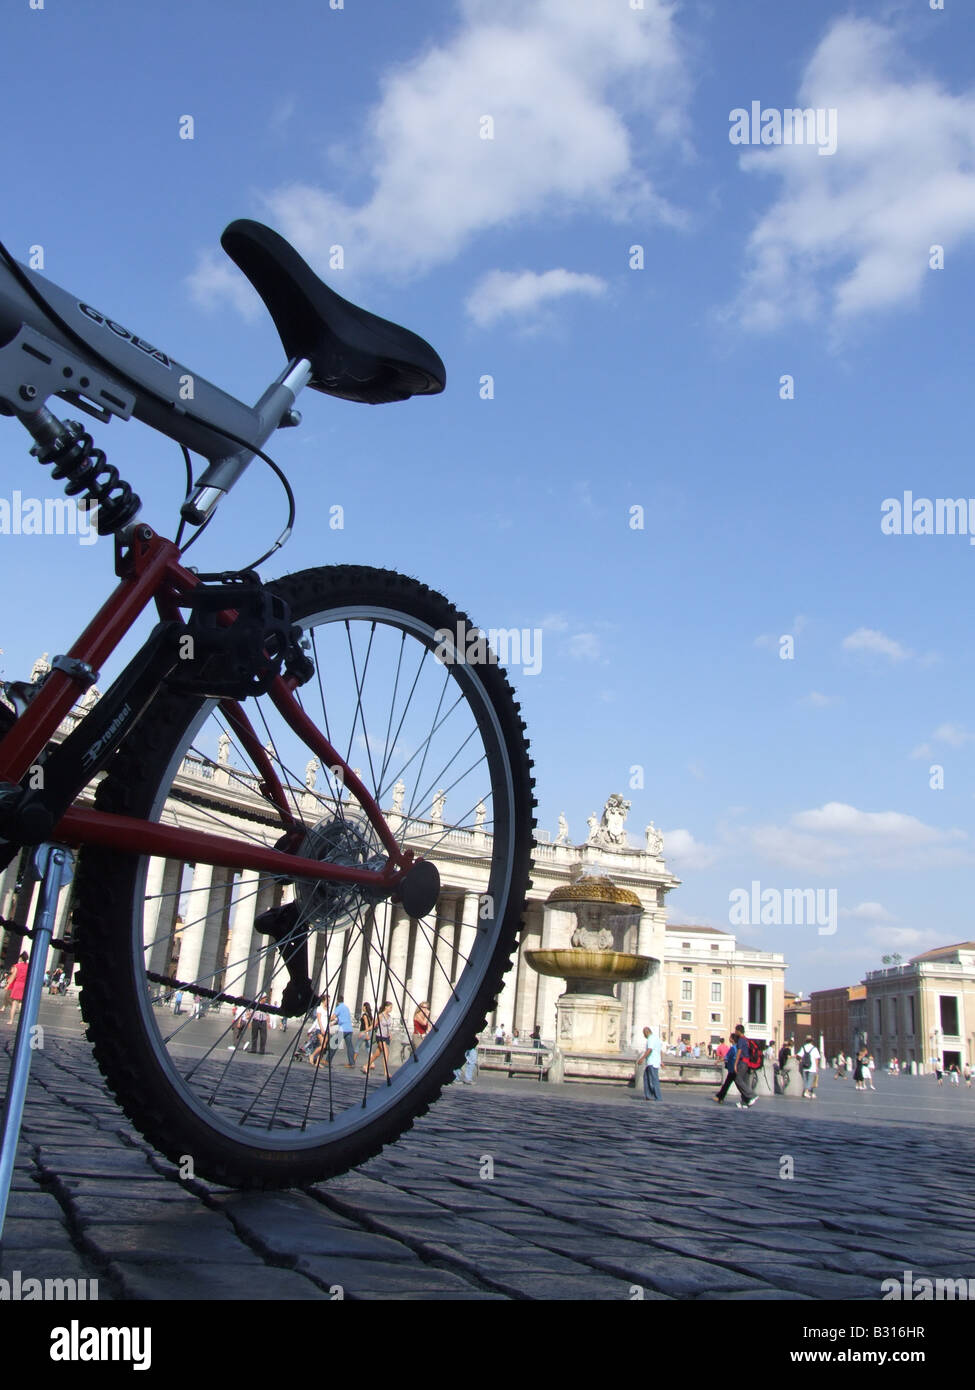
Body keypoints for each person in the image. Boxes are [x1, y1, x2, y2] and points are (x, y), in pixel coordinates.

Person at [363, 1001, 393, 1078]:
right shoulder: (380, 1016)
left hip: (386, 1037)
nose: (391, 1009)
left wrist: (390, 1033)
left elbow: (388, 1027)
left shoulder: (389, 1016)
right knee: (386, 1053)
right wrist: (365, 1031)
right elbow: (374, 1025)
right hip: (380, 1036)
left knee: (377, 1054)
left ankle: (366, 1066)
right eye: (390, 1007)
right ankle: (386, 1072)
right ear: (386, 1007)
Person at [714, 1028, 741, 1103]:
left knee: (729, 1083)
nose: (729, 1038)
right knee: (728, 1083)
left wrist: (718, 1061)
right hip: (736, 1067)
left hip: (732, 1068)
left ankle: (720, 1097)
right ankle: (720, 1097)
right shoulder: (738, 1047)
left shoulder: (733, 1048)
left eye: (730, 1037)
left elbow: (726, 1057)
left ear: (732, 1039)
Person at [635, 1025, 662, 1101]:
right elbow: (660, 1051)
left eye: (644, 1034)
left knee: (654, 1080)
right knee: (646, 1077)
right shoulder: (657, 1038)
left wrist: (642, 1058)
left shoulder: (650, 1039)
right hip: (654, 1062)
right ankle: (648, 1095)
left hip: (652, 1062)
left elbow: (650, 1049)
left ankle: (658, 1097)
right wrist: (661, 1061)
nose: (644, 1036)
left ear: (646, 1033)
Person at [310, 995, 335, 1067]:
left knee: (323, 1047)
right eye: (327, 1000)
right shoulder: (319, 1008)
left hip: (327, 1029)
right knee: (323, 1046)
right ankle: (312, 1055)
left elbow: (329, 1019)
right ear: (324, 1000)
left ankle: (317, 1062)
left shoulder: (329, 1009)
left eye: (329, 1000)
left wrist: (333, 1020)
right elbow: (319, 1019)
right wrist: (321, 1029)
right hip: (320, 1029)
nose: (329, 1002)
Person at [5, 952, 29, 1025]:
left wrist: (8, 984)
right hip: (25, 985)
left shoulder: (17, 966)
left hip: (18, 984)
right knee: (21, 1003)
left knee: (14, 1003)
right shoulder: (29, 966)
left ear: (21, 958)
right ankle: (22, 1021)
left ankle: (11, 1020)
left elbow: (13, 976)